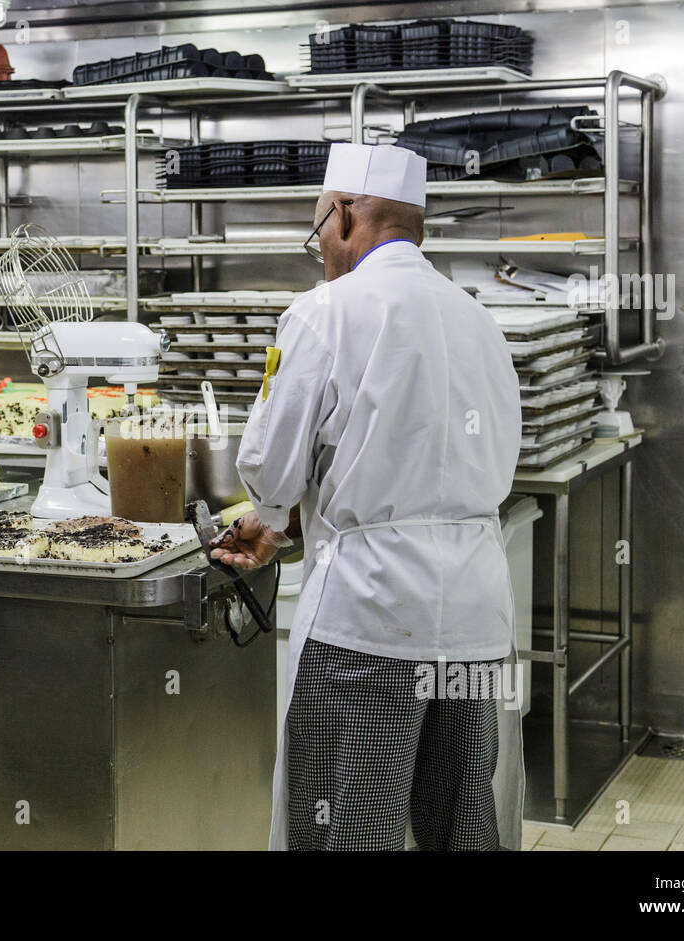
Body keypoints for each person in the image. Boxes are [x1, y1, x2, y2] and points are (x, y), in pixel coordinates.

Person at [211, 143, 523, 851]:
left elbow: (269, 471)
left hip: (369, 622)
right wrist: (289, 522)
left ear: (343, 212)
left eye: (318, 227)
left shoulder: (326, 313)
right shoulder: (480, 321)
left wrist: (276, 513)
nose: (320, 244)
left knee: (348, 830)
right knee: (462, 827)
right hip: (475, 618)